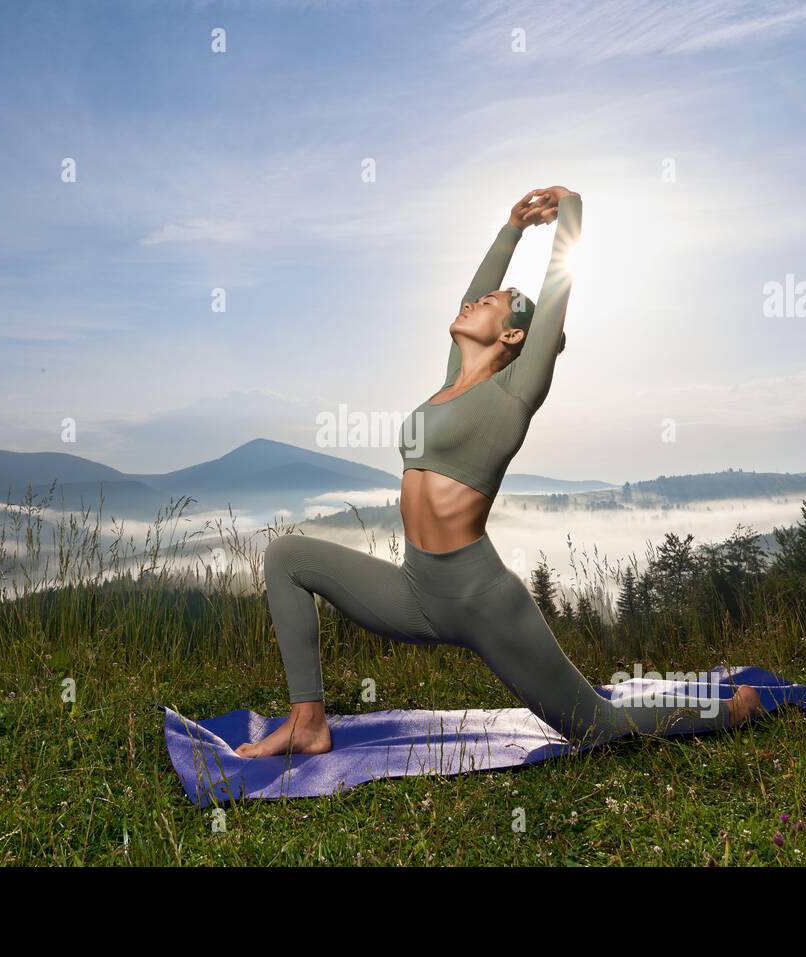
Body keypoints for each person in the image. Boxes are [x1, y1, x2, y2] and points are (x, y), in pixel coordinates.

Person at [238, 186, 762, 757]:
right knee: (287, 557)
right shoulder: (451, 381)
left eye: (492, 303)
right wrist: (512, 228)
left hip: (482, 600)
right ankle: (307, 723)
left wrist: (571, 210)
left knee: (598, 727)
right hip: (415, 590)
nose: (473, 303)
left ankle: (729, 708)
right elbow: (472, 297)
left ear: (513, 335)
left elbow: (555, 296)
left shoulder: (514, 393)